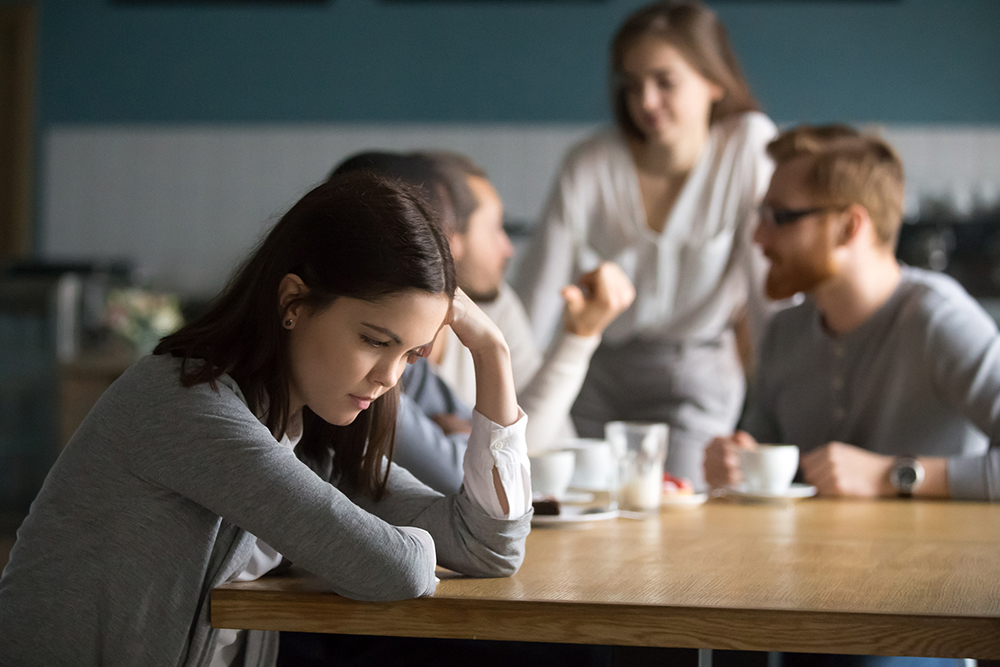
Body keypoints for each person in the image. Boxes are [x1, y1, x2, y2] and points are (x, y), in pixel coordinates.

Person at [0, 172, 532, 667]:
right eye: (374, 341)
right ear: (292, 302)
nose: (389, 378)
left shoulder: (307, 434)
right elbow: (397, 568)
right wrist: (383, 544)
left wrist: (492, 352)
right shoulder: (186, 406)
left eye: (412, 354)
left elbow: (487, 548)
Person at [513, 0, 778, 488]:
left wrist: (776, 418)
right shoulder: (589, 163)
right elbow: (534, 303)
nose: (646, 102)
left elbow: (769, 301)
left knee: (677, 507)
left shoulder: (748, 147)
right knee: (578, 503)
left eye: (665, 82)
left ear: (714, 82)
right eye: (632, 85)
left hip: (695, 377)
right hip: (597, 375)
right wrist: (498, 408)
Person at [704, 124, 1000, 508]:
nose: (758, 236)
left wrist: (892, 475)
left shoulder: (940, 322)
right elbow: (765, 456)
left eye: (779, 216)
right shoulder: (784, 331)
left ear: (849, 227)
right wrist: (736, 464)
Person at [330, 152, 634, 495]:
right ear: (444, 237)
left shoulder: (494, 307)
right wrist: (474, 440)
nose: (508, 248)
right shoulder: (371, 371)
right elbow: (487, 474)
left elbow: (530, 452)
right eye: (494, 227)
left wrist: (474, 441)